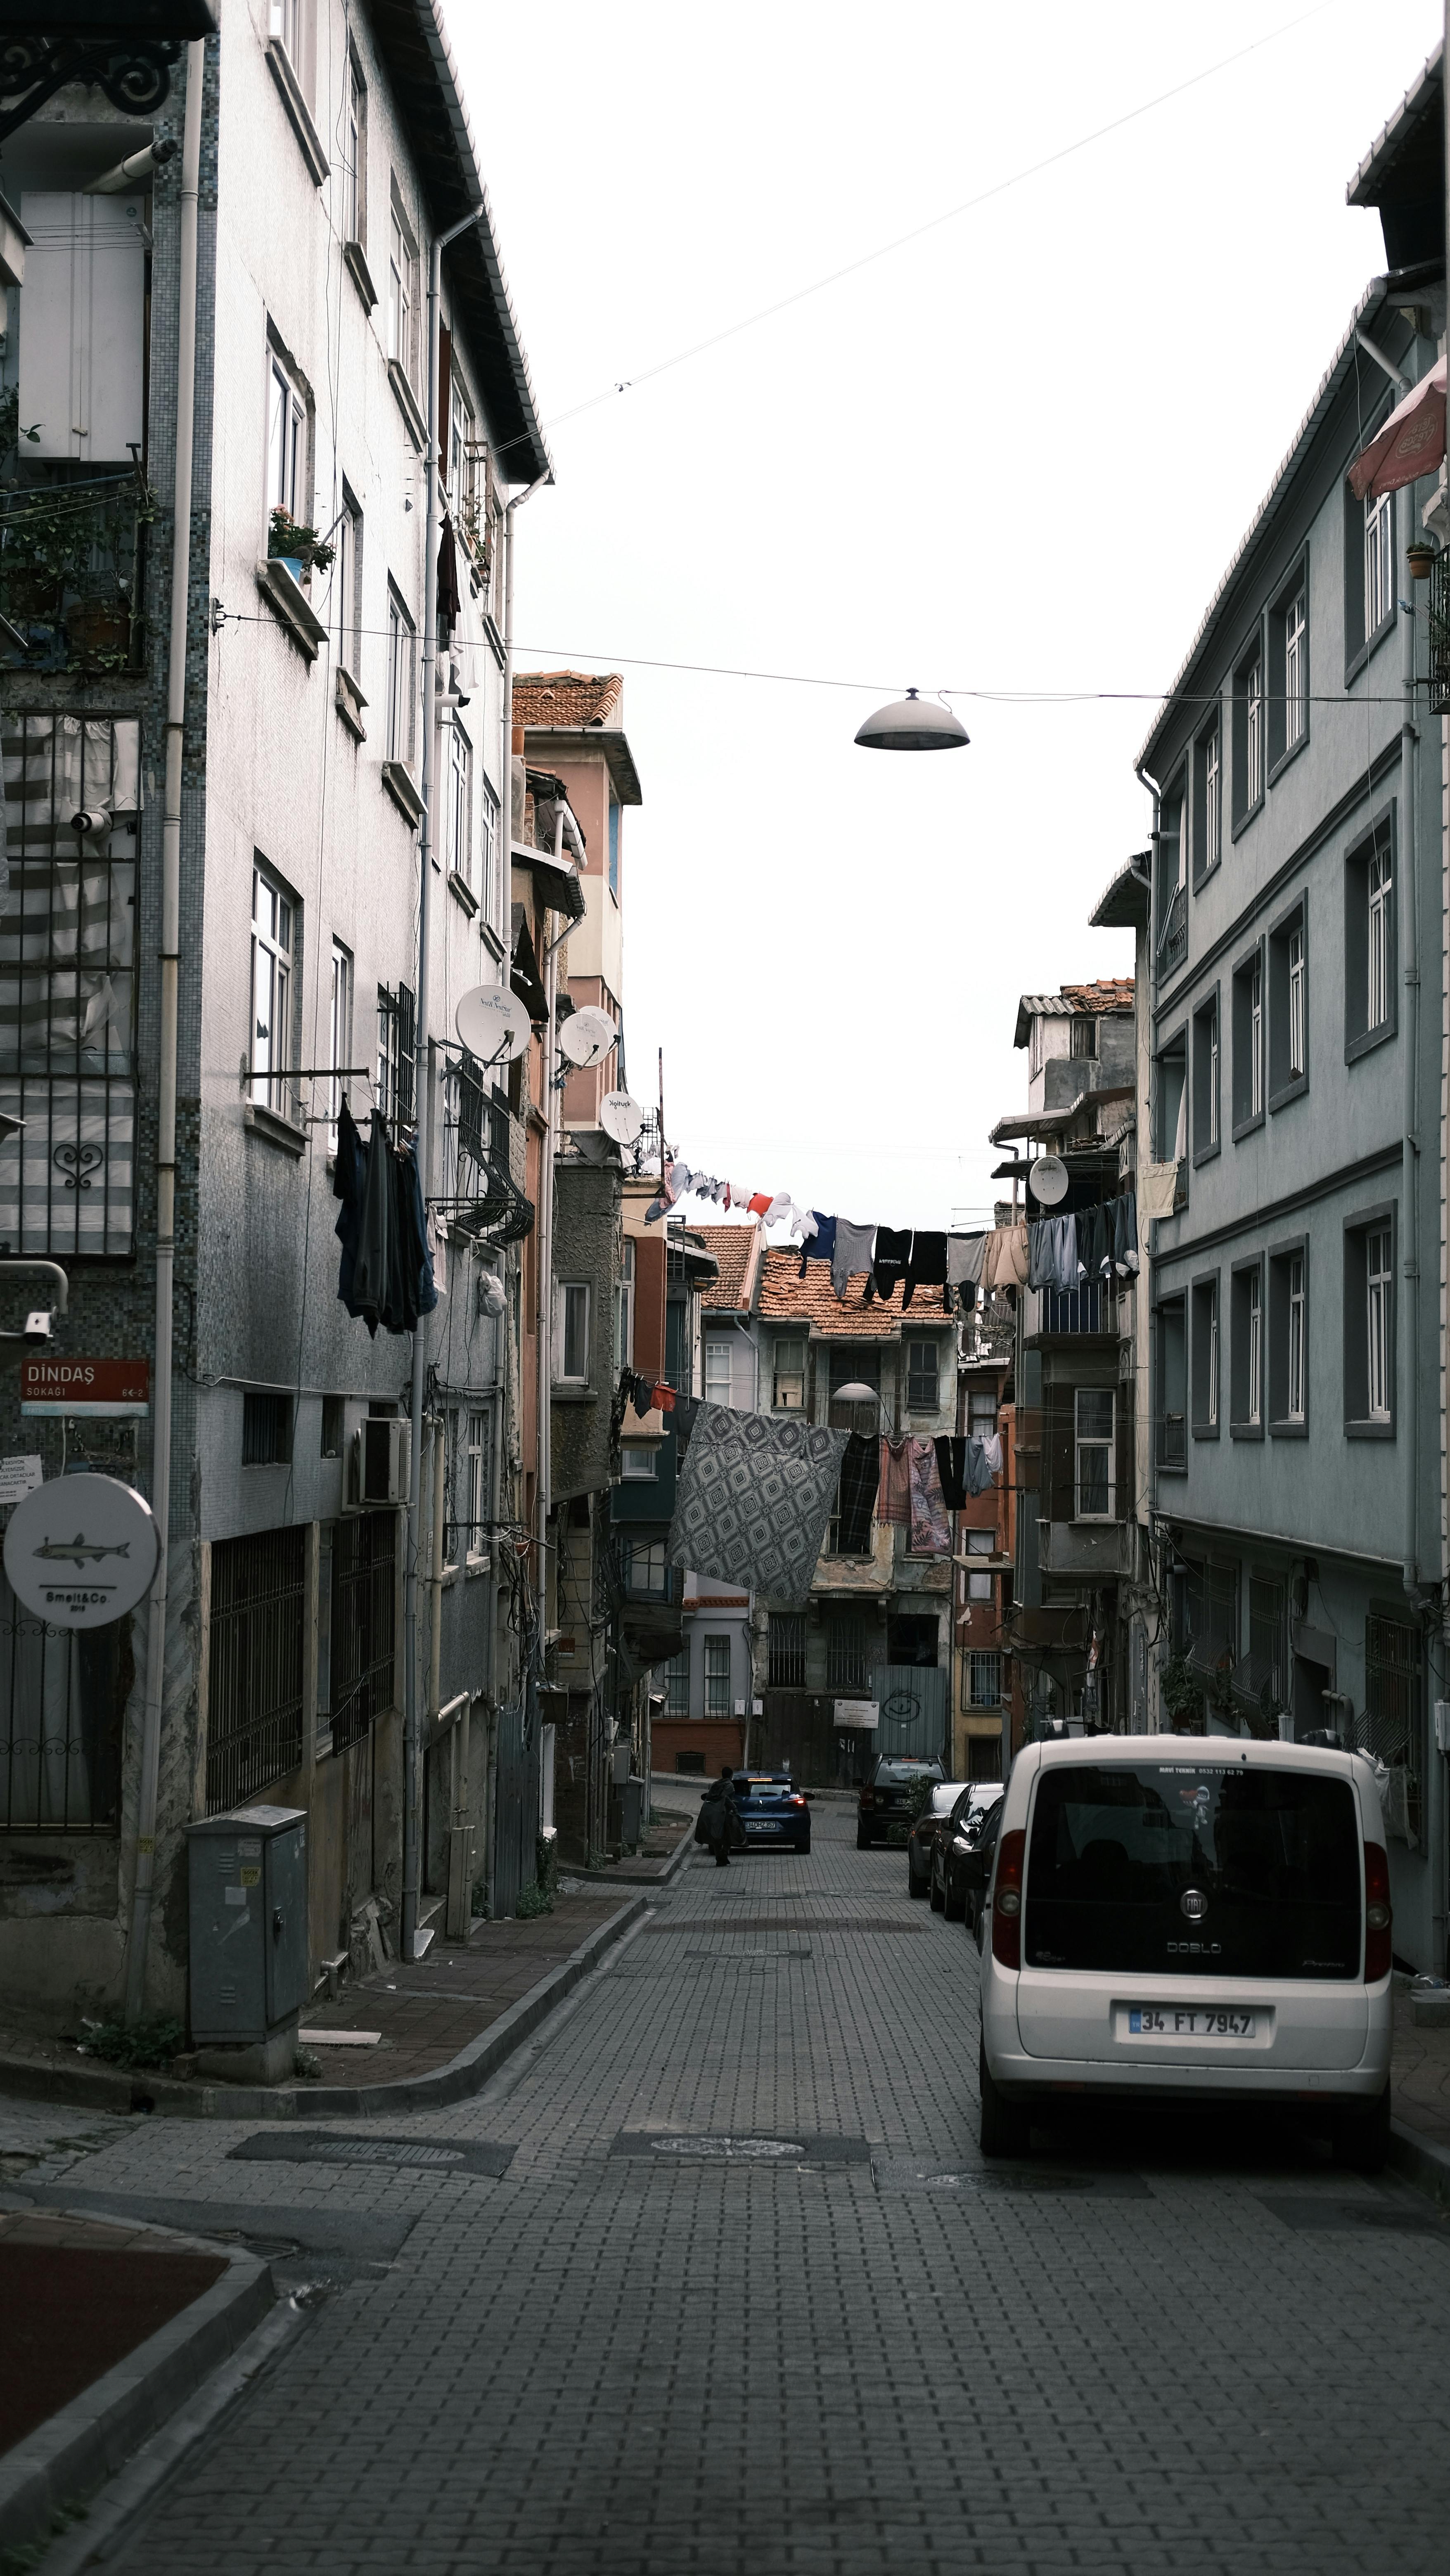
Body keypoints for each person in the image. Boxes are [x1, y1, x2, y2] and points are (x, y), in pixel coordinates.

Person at [695, 1762, 743, 1867]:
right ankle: (724, 1854)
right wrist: (734, 1808)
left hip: (712, 1813)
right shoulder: (730, 1785)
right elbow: (726, 1798)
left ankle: (719, 1857)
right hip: (724, 1813)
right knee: (729, 1834)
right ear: (731, 1776)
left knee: (716, 1837)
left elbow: (709, 1796)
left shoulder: (716, 1784)